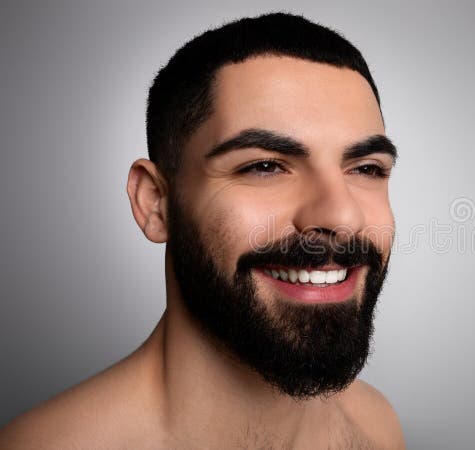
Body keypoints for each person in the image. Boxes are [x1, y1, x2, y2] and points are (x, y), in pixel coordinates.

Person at [0, 12, 404, 449]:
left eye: (366, 168)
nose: (343, 216)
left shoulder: (375, 427)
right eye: (264, 166)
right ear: (155, 203)